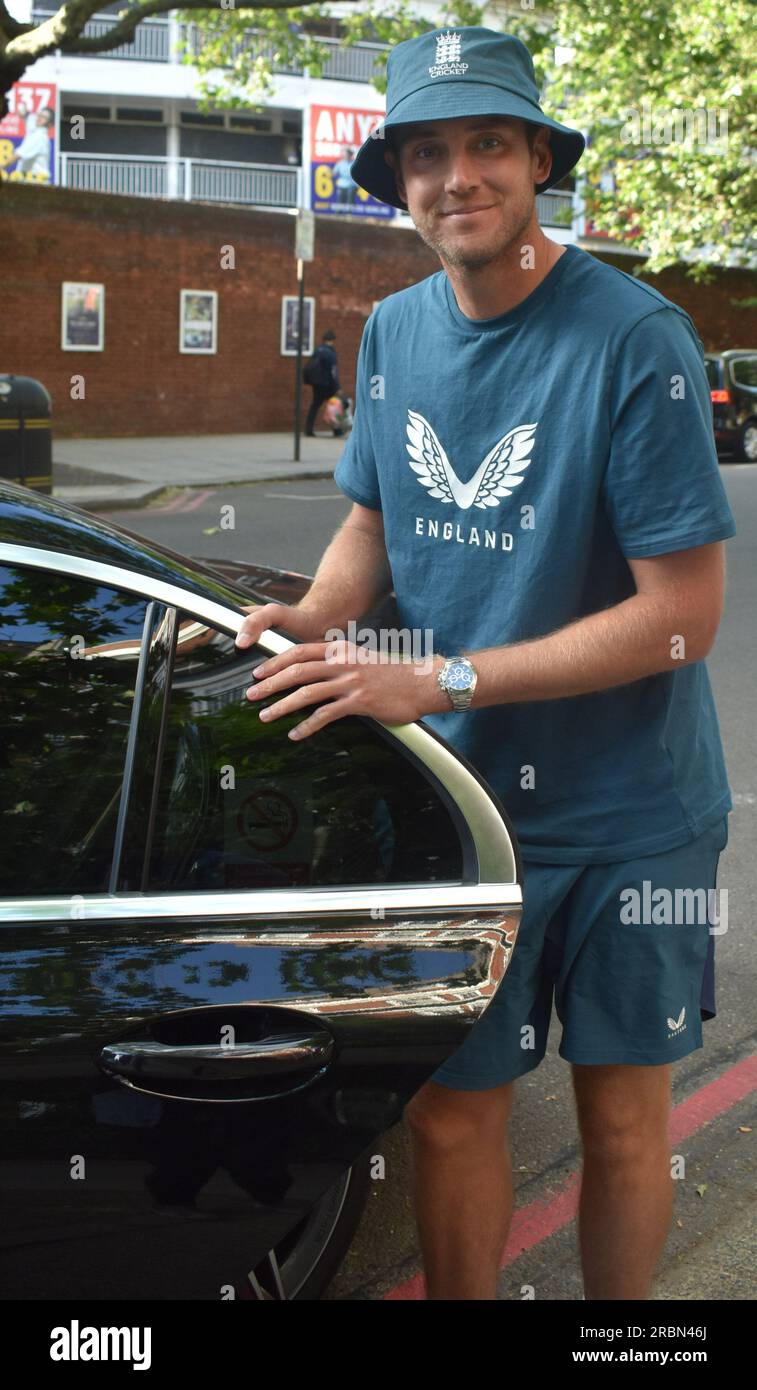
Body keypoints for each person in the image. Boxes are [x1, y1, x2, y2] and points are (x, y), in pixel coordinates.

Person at [236, 26, 736, 1300]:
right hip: (463, 809)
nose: (458, 176)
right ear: (398, 183)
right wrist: (312, 615)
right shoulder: (393, 329)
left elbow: (683, 616)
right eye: (428, 152)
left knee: (624, 1119)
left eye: (488, 145)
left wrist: (445, 679)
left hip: (632, 815)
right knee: (453, 1116)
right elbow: (369, 524)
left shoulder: (637, 341)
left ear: (535, 164)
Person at [304, 328, 340, 436]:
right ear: (332, 340)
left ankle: (308, 430)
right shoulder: (330, 353)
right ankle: (336, 430)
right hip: (328, 385)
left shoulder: (318, 350)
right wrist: (337, 386)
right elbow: (333, 371)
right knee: (334, 406)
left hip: (317, 384)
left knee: (315, 406)